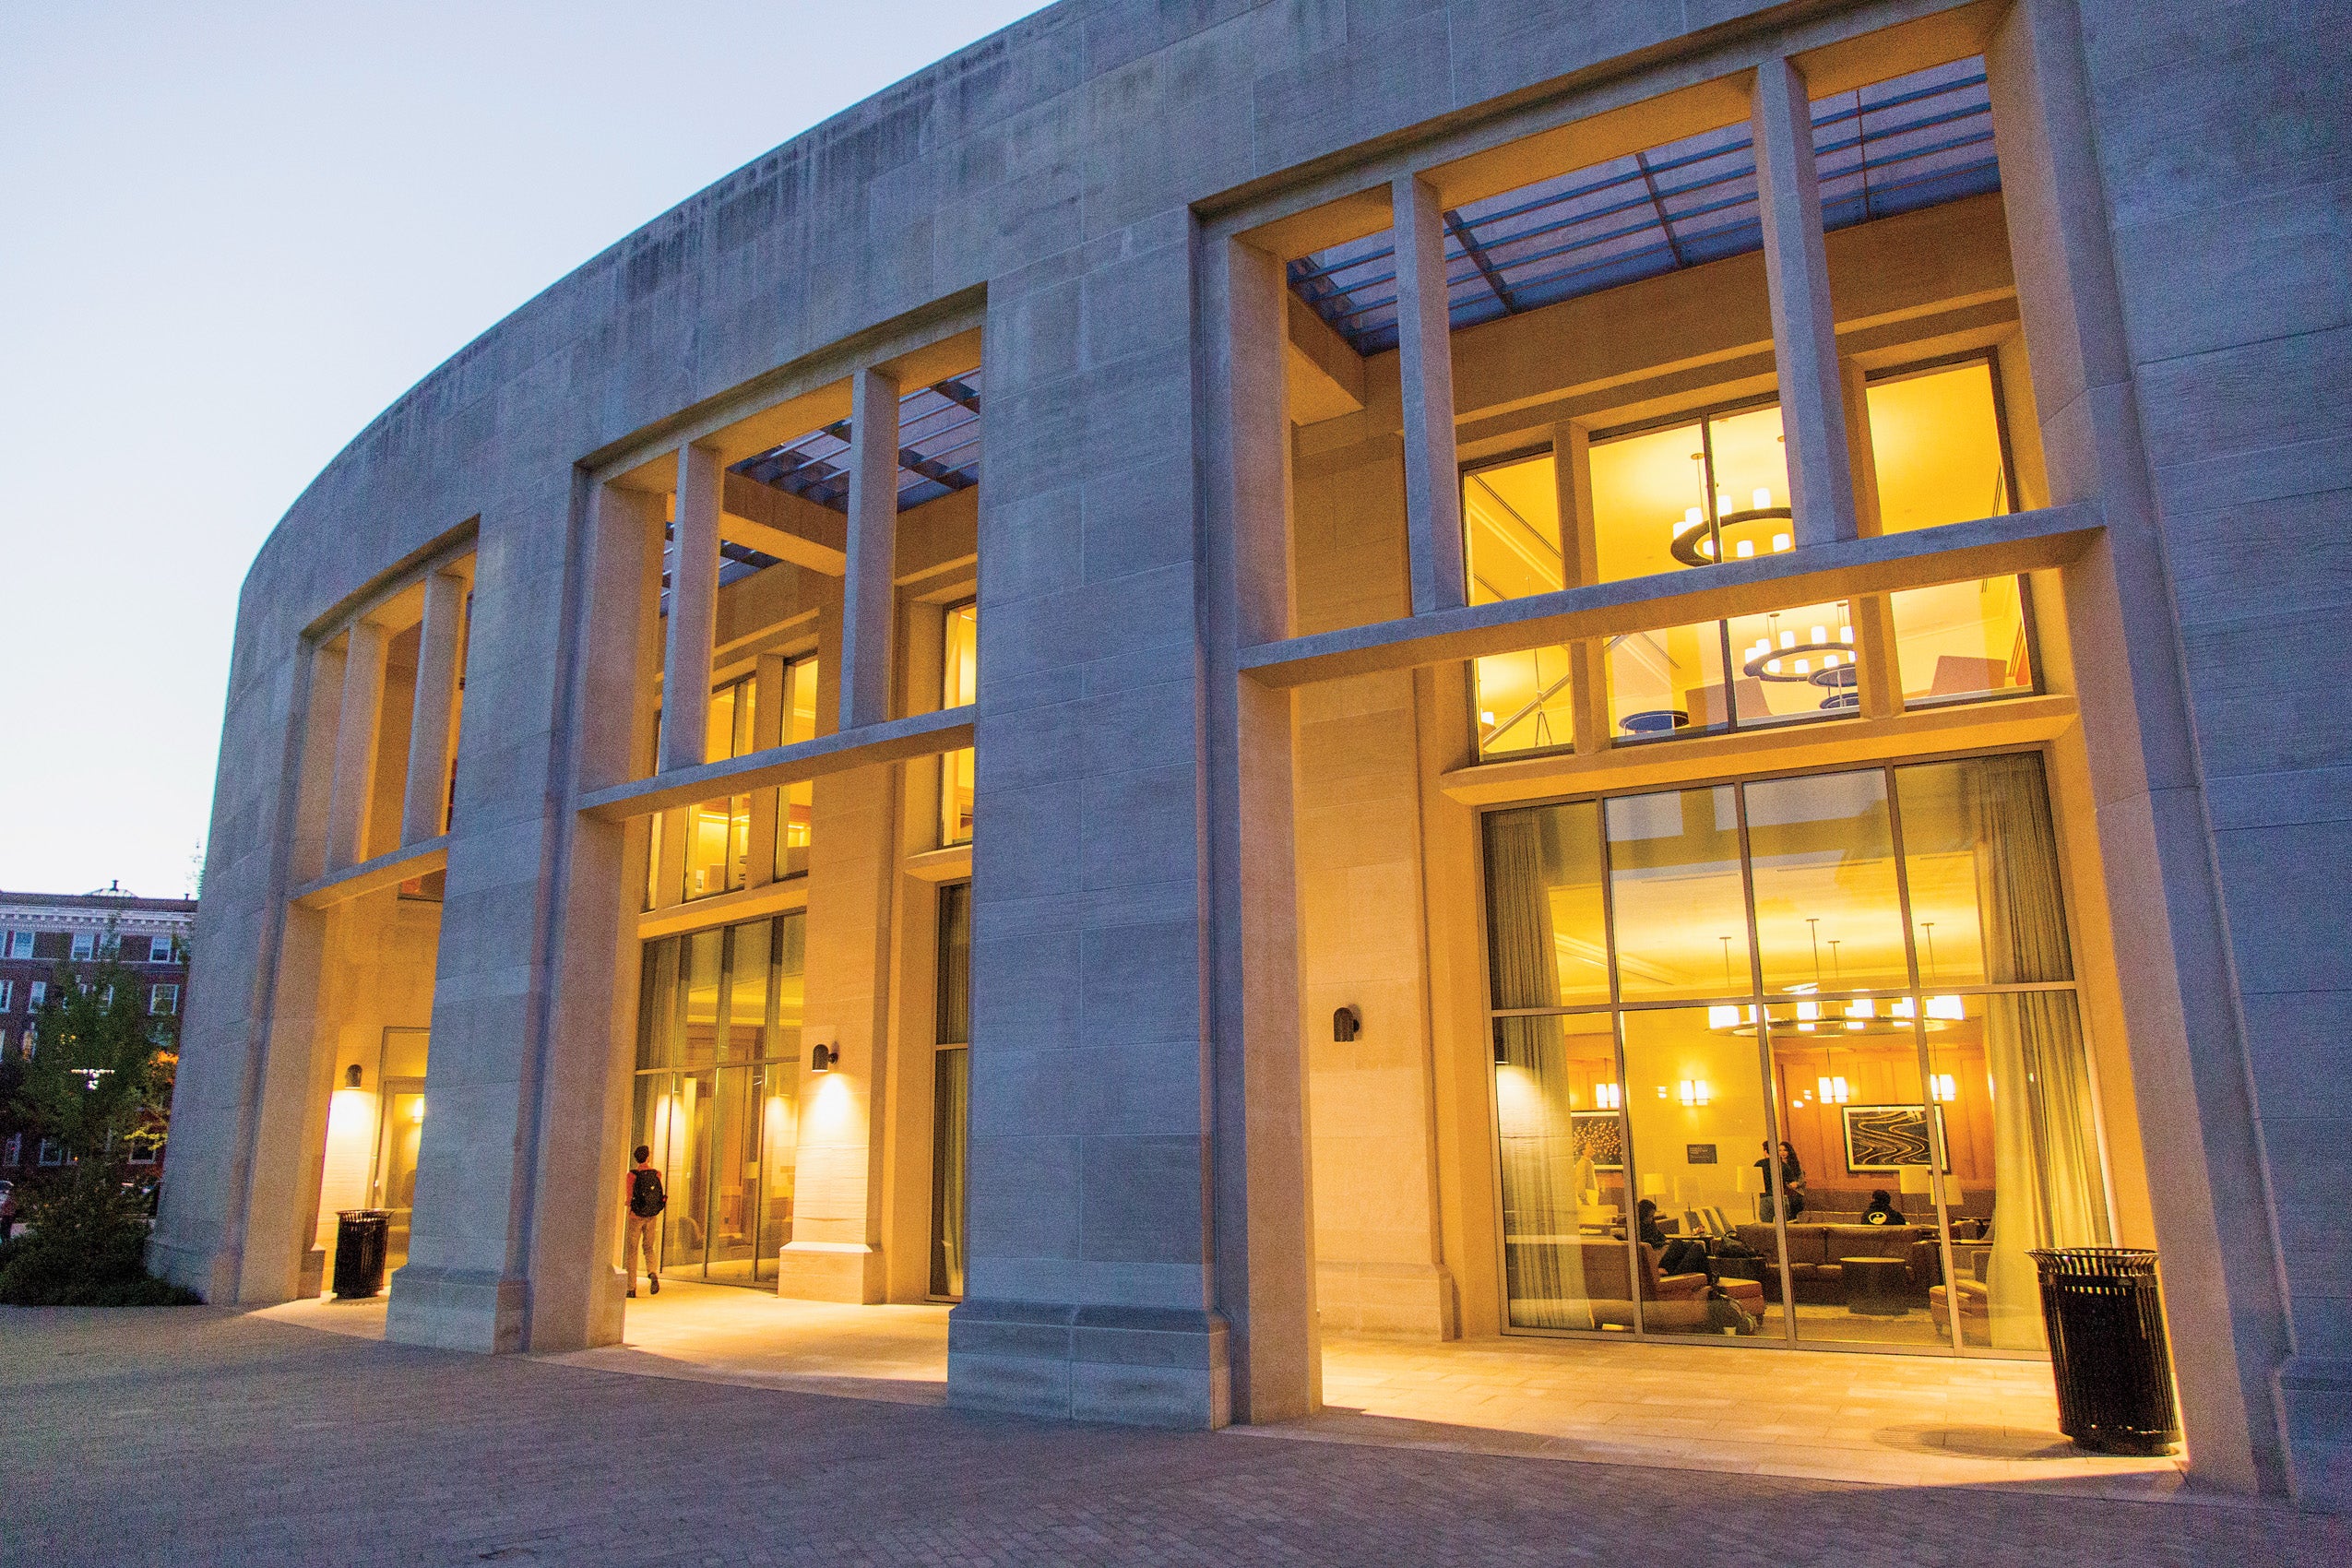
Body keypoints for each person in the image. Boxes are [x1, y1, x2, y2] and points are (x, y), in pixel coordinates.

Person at [623, 1145, 665, 1298]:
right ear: (648, 1157)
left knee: (632, 1251)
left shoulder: (631, 1176)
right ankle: (652, 1272)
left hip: (635, 1216)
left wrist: (630, 1205)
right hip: (651, 1216)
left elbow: (629, 1197)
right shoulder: (657, 1174)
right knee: (648, 1247)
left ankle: (631, 1287)